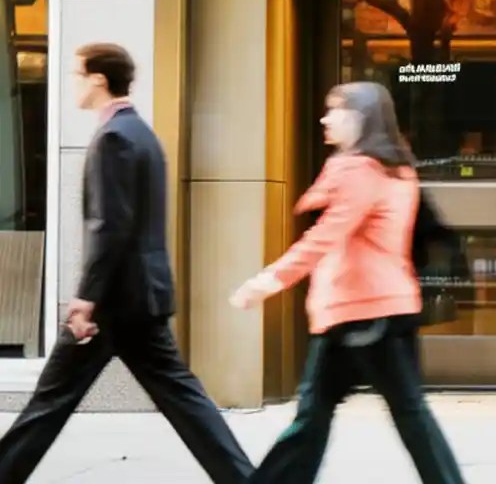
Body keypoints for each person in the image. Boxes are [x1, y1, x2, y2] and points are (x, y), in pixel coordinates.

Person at [0, 43, 253, 483]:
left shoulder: (114, 138)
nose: (73, 83)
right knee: (184, 401)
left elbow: (110, 226)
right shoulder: (141, 134)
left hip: (115, 302)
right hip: (140, 297)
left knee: (50, 400)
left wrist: (86, 298)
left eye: (77, 74)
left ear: (98, 79)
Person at [230, 82, 464, 484]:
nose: (326, 119)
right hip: (376, 308)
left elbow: (327, 234)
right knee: (340, 415)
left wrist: (270, 279)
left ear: (360, 118)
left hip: (362, 313)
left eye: (335, 110)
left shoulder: (359, 170)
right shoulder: (396, 168)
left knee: (328, 416)